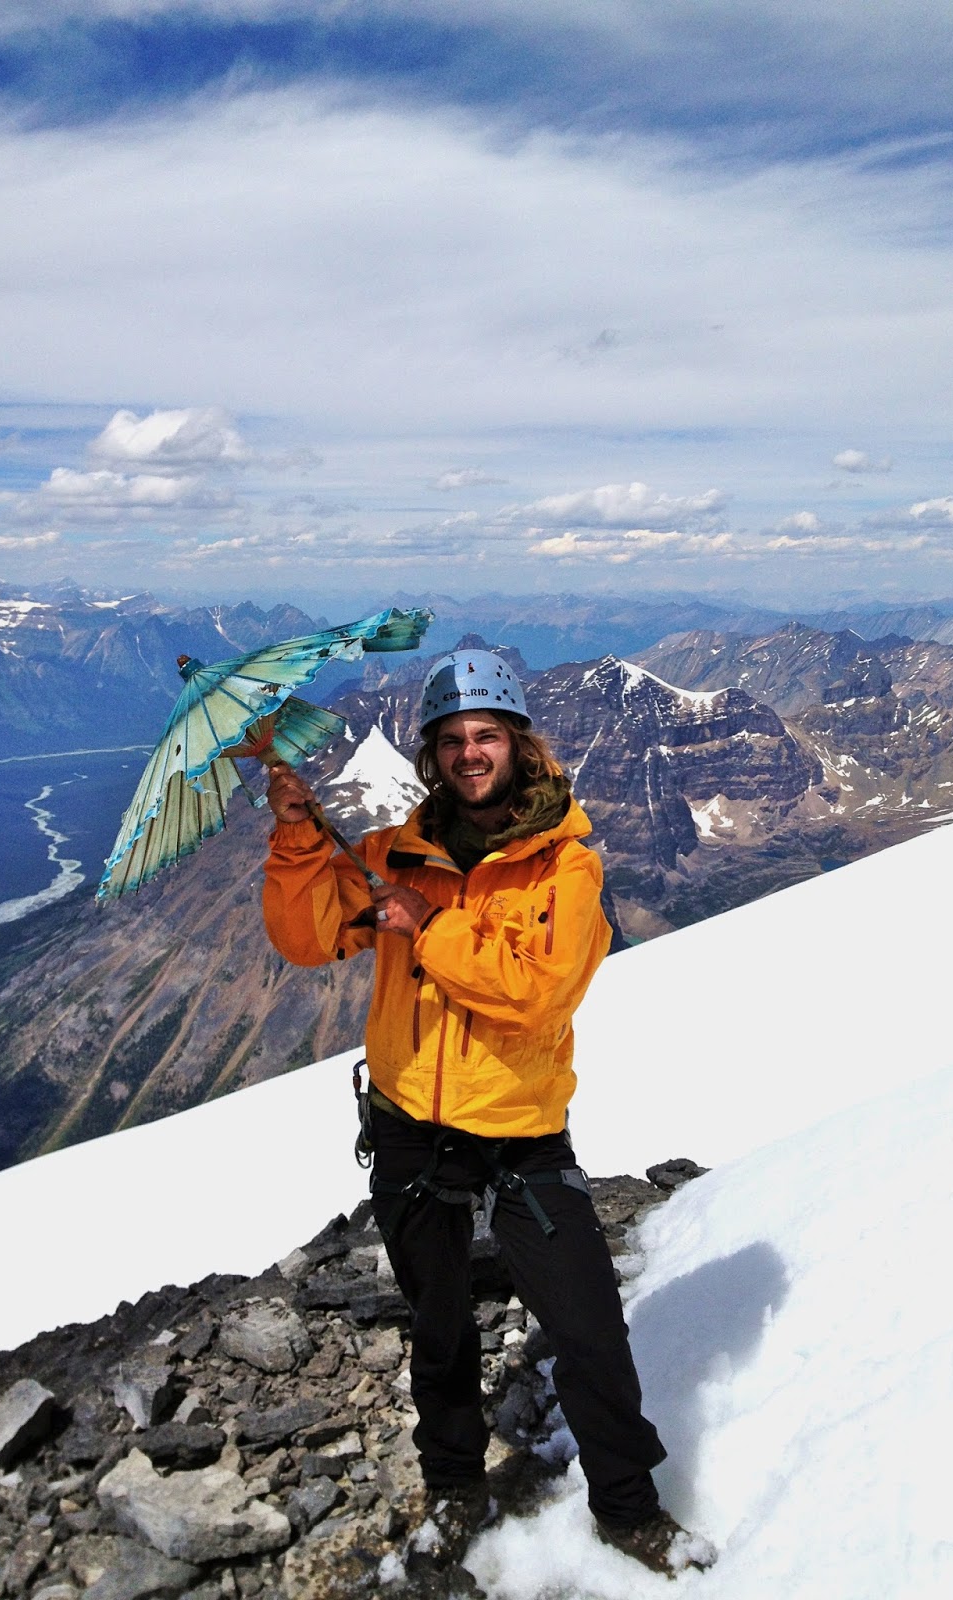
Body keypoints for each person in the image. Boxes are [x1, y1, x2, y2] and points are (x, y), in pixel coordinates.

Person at [262, 649, 699, 1575]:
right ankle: (455, 1486)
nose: (470, 753)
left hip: (520, 1127)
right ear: (434, 753)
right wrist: (301, 836)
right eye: (453, 738)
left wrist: (430, 927)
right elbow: (305, 939)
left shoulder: (565, 868)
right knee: (439, 1321)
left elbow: (540, 994)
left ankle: (628, 1508)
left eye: (486, 735)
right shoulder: (390, 855)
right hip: (408, 1121)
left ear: (519, 745)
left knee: (586, 1327)